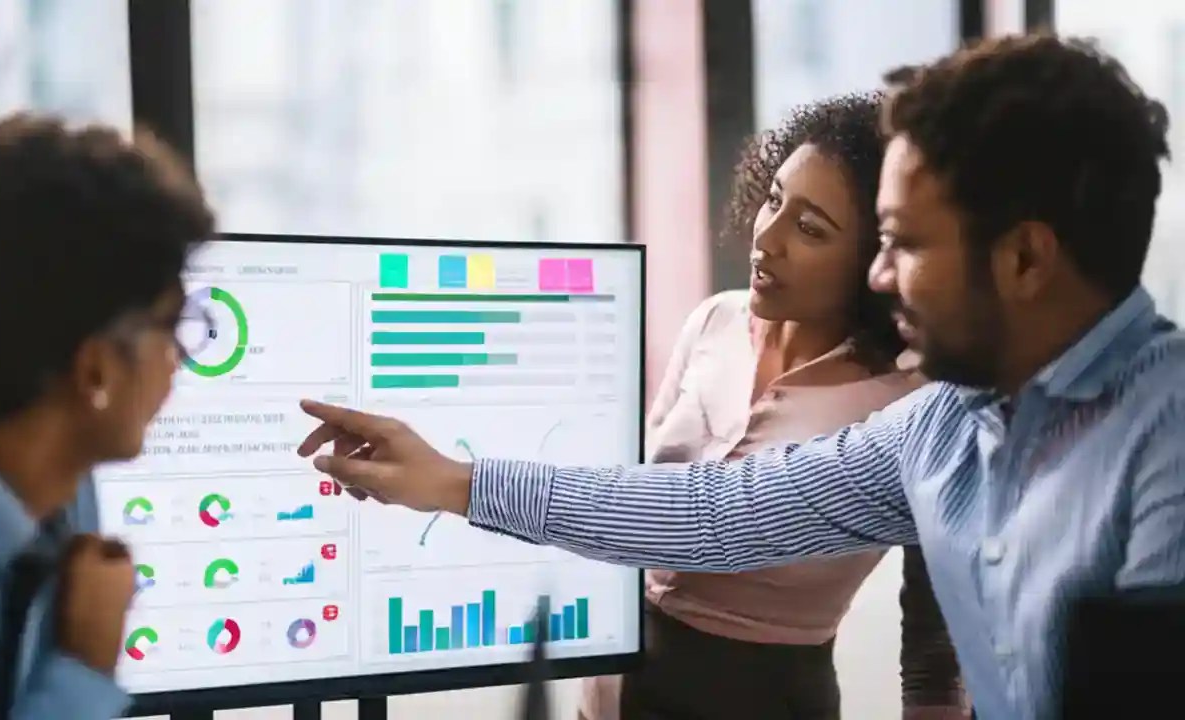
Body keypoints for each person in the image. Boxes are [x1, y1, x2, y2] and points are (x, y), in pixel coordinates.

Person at [294, 34, 1183, 720]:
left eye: (905, 246)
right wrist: (453, 480)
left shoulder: (1164, 442)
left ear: (1025, 259)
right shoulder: (943, 428)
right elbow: (712, 514)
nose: (880, 276)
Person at [578, 93, 965, 720]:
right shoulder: (713, 321)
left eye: (810, 229)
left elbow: (936, 640)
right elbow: (639, 503)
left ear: (879, 264)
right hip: (611, 695)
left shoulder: (916, 404)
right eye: (774, 200)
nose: (768, 238)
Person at [0, 114, 213, 718]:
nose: (179, 358)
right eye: (171, 327)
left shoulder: (56, 499)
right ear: (96, 370)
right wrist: (82, 670)